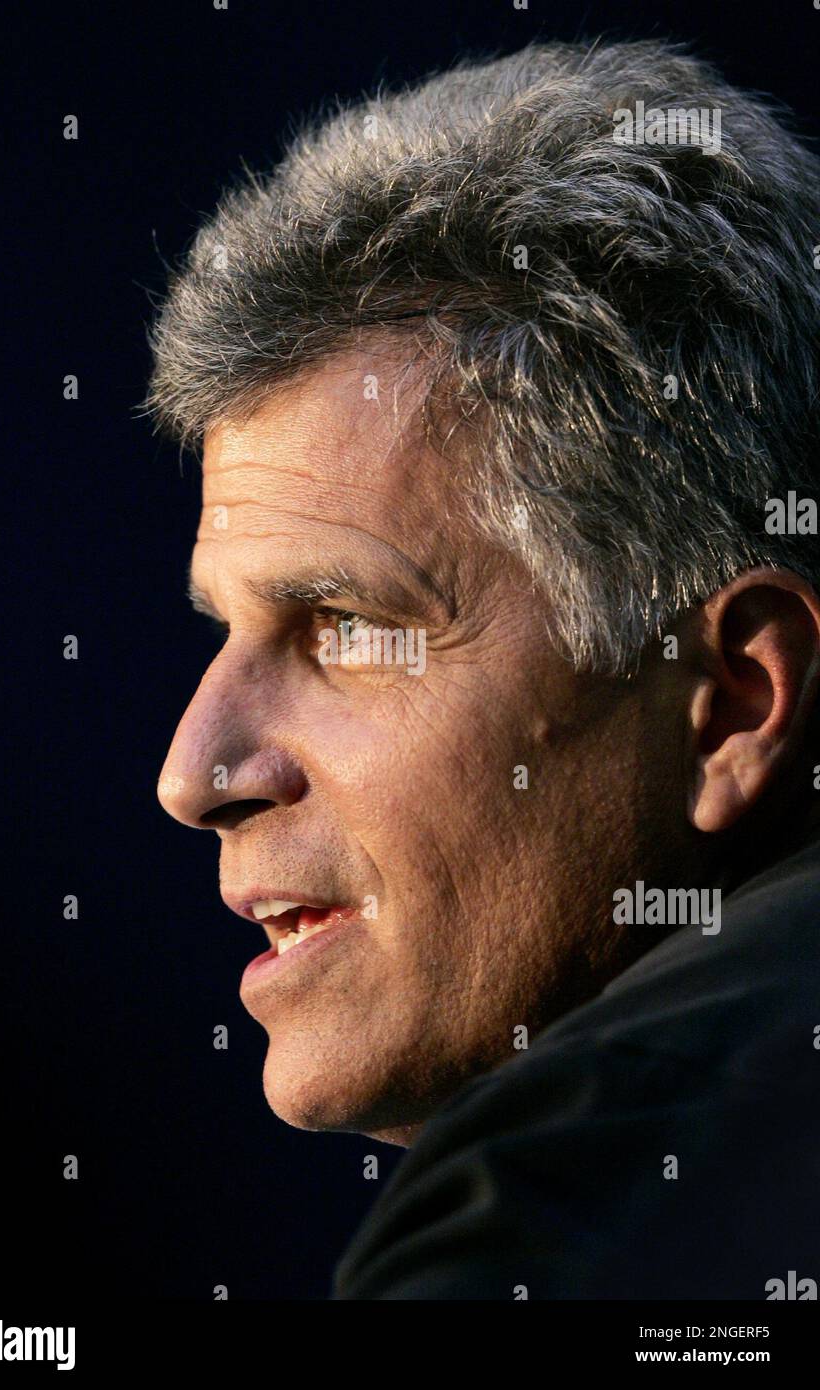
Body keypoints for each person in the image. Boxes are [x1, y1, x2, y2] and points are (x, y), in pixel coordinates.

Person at [146, 38, 820, 1297]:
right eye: (222, 631)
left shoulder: (564, 1209)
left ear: (730, 701)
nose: (196, 773)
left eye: (342, 625)